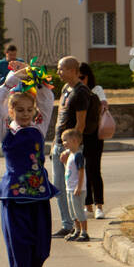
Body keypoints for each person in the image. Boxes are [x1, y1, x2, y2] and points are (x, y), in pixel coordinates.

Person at [0, 63, 57, 267]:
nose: (26, 113)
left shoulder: (39, 128)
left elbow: (48, 100)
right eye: (20, 110)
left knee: (41, 249)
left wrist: (34, 77)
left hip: (40, 194)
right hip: (14, 196)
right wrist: (9, 82)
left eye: (29, 109)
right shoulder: (5, 131)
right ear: (11, 111)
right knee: (19, 247)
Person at [49, 57, 91, 238]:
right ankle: (68, 224)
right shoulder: (66, 89)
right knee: (59, 188)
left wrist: (71, 148)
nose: (58, 72)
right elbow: (60, 117)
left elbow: (80, 123)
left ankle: (77, 227)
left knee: (72, 189)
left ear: (73, 70)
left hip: (71, 149)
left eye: (61, 69)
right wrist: (55, 142)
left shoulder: (81, 92)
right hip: (59, 144)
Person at [77, 62, 106, 221]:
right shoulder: (73, 90)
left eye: (82, 77)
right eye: (78, 77)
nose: (80, 80)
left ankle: (99, 205)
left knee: (94, 169)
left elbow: (103, 107)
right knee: (82, 169)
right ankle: (87, 204)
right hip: (79, 135)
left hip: (94, 135)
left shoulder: (96, 90)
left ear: (88, 77)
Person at [59, 129, 89, 243]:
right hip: (69, 188)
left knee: (79, 211)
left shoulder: (78, 155)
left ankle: (84, 232)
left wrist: (79, 187)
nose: (63, 143)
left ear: (75, 140)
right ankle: (77, 230)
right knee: (73, 212)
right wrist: (64, 162)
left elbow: (81, 171)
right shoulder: (70, 155)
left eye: (65, 140)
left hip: (77, 189)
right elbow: (70, 170)